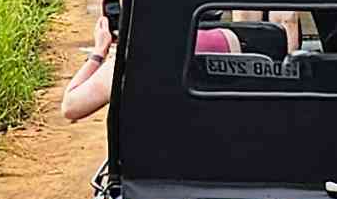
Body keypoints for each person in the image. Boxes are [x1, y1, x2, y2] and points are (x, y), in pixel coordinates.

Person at [61, 14, 241, 123]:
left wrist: (99, 52)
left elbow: (70, 107)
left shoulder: (129, 59)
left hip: (150, 168)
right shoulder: (227, 40)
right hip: (217, 160)